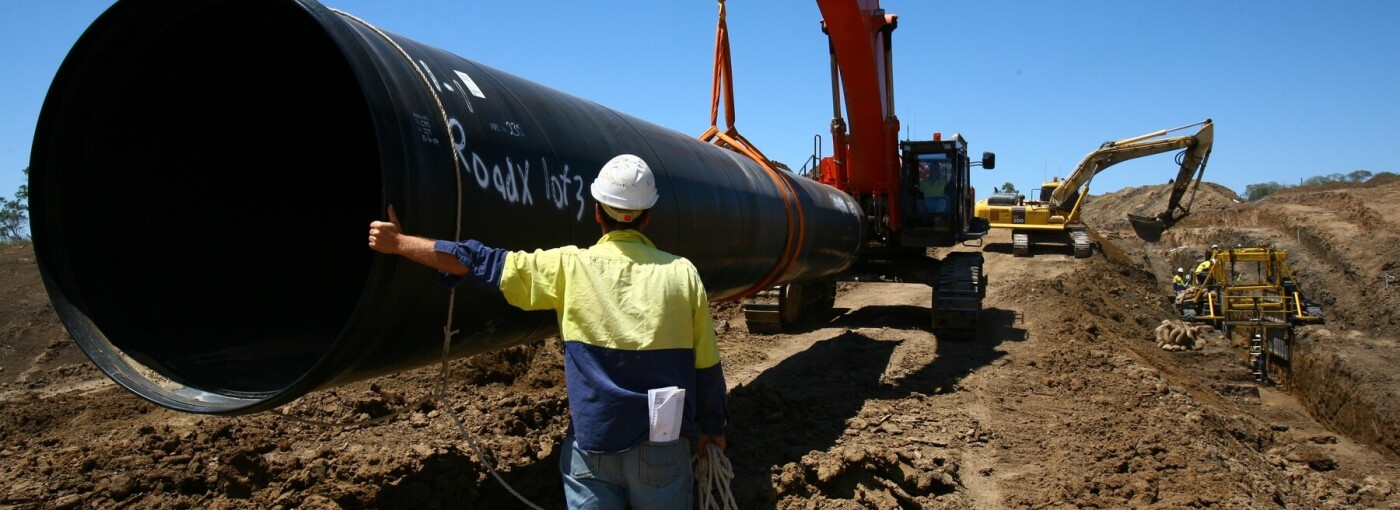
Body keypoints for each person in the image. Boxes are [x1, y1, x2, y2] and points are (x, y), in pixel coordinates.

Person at [368, 154, 727, 509]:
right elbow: (707, 366)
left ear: (597, 211)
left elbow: (480, 263)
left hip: (593, 447)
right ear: (648, 217)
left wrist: (399, 243)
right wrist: (712, 428)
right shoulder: (683, 274)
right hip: (661, 448)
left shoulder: (568, 266)